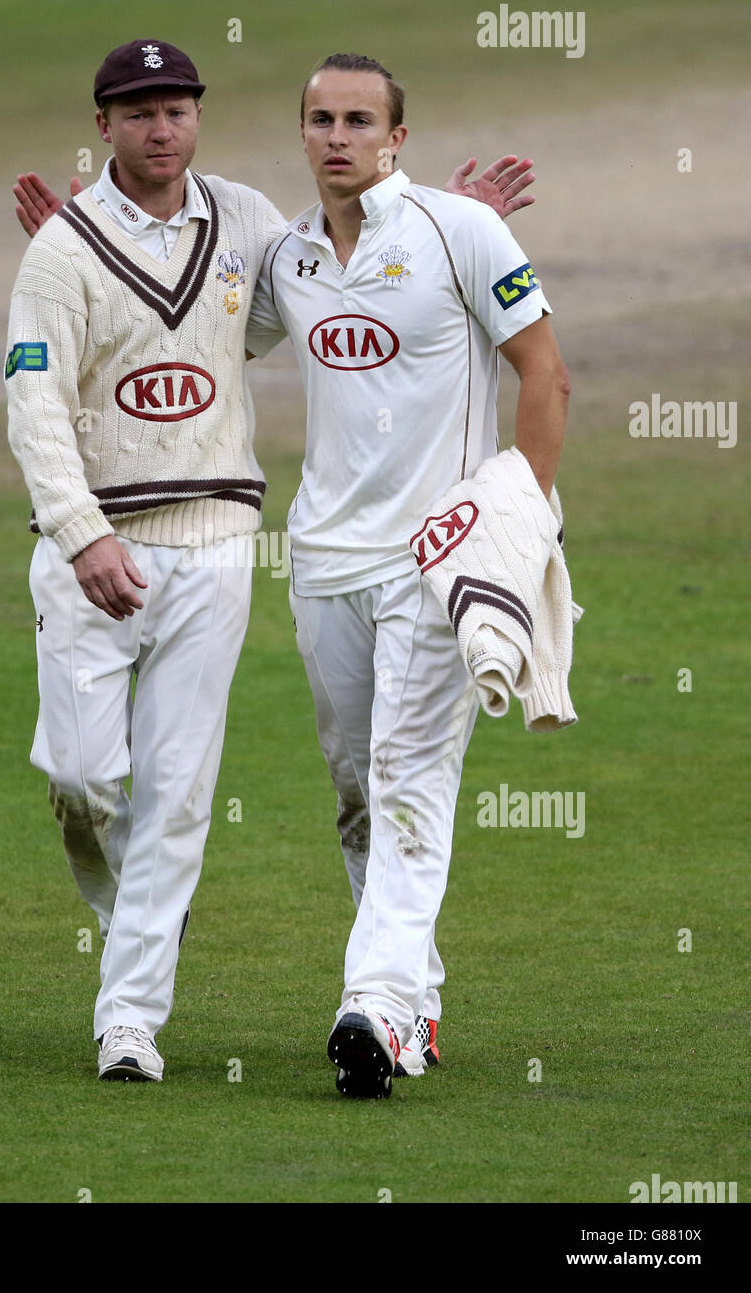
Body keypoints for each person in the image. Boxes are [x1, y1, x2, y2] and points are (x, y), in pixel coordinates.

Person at [6, 40, 536, 1085]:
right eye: (138, 112)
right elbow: (81, 392)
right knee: (85, 780)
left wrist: (460, 236)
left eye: (178, 109)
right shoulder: (118, 252)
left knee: (221, 792)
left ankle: (161, 1017)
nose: (161, 128)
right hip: (144, 554)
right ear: (104, 122)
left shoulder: (252, 220)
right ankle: (153, 923)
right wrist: (80, 245)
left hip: (246, 549)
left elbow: (377, 299)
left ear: (199, 118)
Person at [242, 54, 570, 1097]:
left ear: (398, 137)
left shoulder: (461, 230)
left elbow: (545, 372)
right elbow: (198, 335)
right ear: (301, 134)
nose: (337, 135)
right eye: (320, 119)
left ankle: (372, 1007)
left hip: (436, 563)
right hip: (323, 562)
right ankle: (415, 1007)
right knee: (356, 795)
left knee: (409, 780)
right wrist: (92, 249)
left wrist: (521, 514)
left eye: (359, 120)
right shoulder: (286, 258)